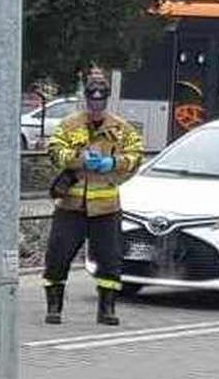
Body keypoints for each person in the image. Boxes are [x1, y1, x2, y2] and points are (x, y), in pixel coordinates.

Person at [41, 68, 143, 326]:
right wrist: (79, 159)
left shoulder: (121, 128)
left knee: (110, 260)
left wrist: (113, 162)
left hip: (106, 207)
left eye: (101, 99)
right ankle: (54, 307)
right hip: (71, 205)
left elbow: (136, 155)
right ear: (86, 98)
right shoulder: (69, 124)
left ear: (106, 99)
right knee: (57, 256)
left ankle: (107, 309)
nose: (96, 104)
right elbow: (54, 150)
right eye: (92, 99)